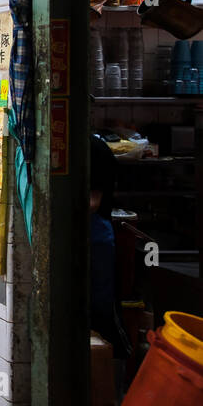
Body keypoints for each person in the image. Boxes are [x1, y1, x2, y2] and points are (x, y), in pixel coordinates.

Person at [89, 135, 131, 357]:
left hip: (95, 237)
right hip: (85, 233)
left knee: (105, 313)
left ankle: (116, 377)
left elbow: (93, 203)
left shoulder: (94, 148)